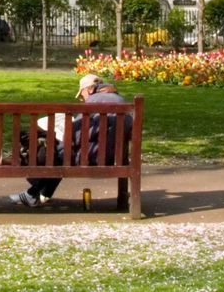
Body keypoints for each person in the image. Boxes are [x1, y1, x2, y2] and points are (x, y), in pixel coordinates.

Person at [8, 73, 132, 208]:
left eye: (82, 94)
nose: (82, 99)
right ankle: (39, 194)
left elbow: (76, 134)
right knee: (62, 152)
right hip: (115, 157)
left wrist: (62, 135)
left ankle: (32, 193)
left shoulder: (94, 101)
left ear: (89, 90)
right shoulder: (121, 100)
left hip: (93, 156)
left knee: (57, 154)